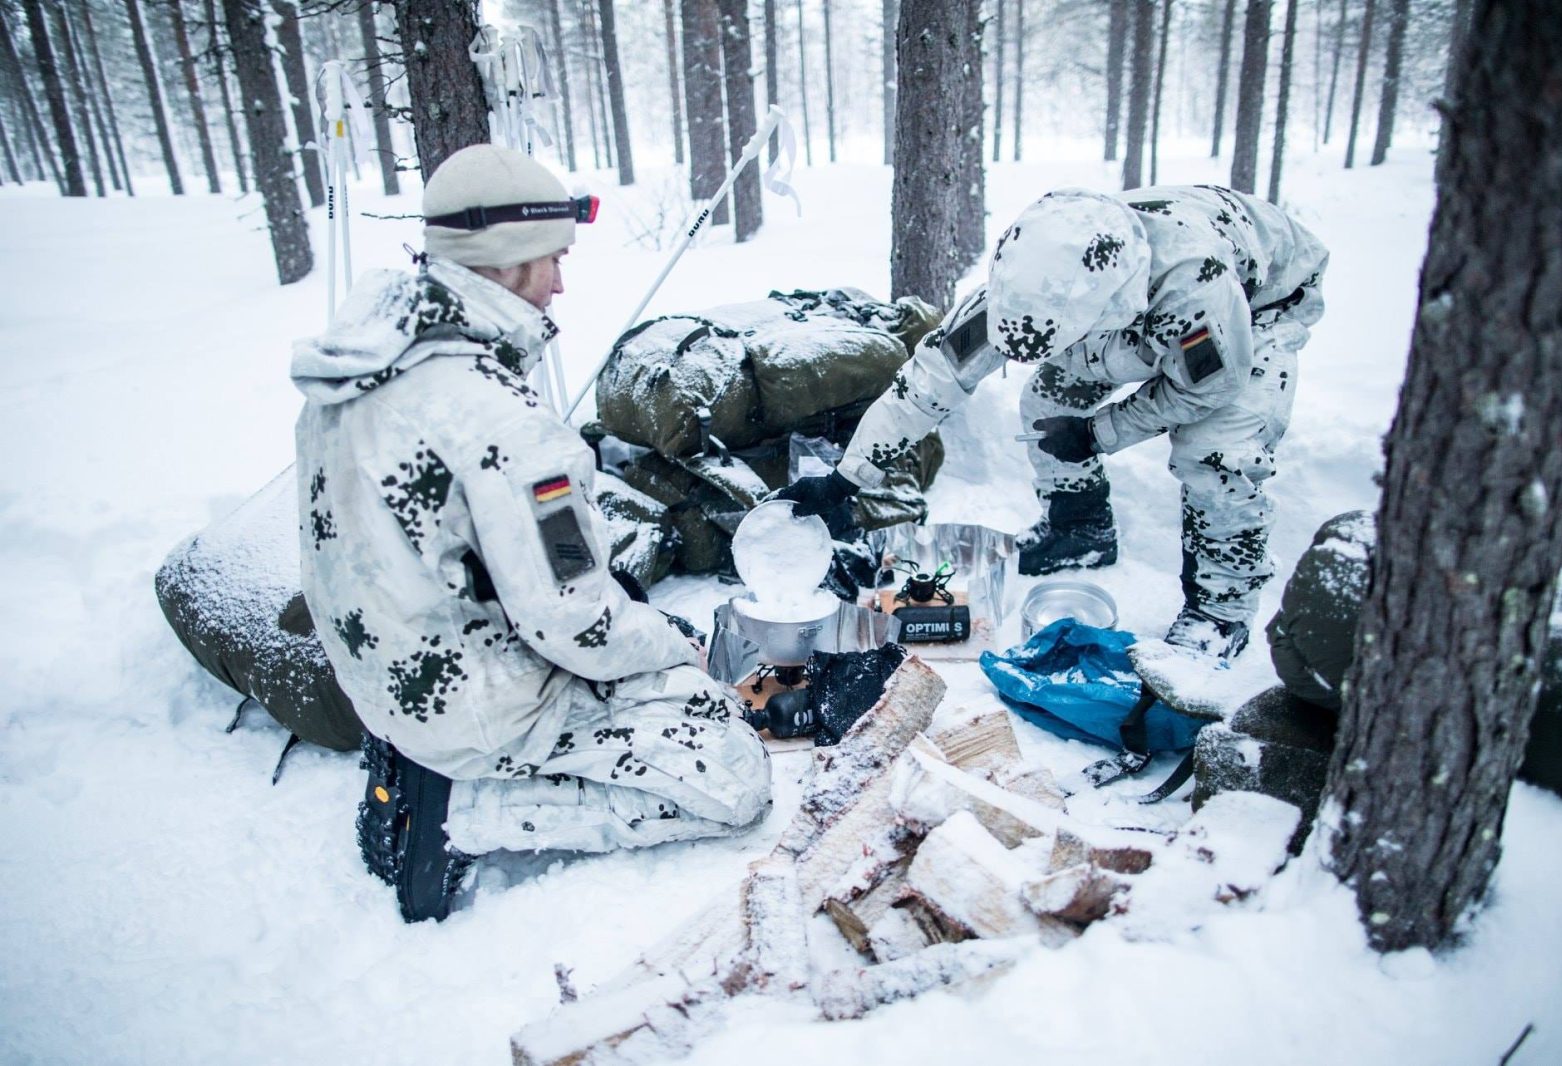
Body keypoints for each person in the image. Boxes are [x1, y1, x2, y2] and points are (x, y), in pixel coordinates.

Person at [291, 145, 772, 921]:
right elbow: (575, 621)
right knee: (730, 766)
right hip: (471, 705)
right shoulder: (505, 425)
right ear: (506, 262)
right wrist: (672, 651)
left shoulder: (361, 363)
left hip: (381, 670)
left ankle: (435, 762)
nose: (559, 283)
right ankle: (459, 812)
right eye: (552, 259)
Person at [779, 184, 1329, 660]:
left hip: (1262, 304)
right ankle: (1080, 528)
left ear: (1105, 314)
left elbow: (1204, 388)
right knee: (1049, 399)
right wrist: (848, 477)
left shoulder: (1193, 290)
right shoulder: (1029, 280)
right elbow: (928, 384)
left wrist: (1099, 432)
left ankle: (1219, 612)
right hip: (1129, 311)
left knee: (1217, 455)